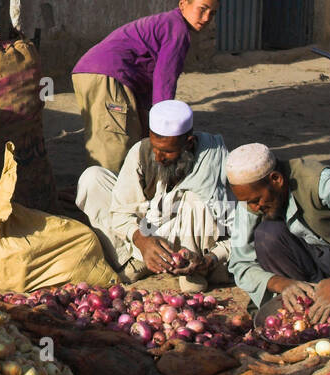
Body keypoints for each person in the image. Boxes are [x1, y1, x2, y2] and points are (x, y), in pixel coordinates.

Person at [76, 99, 231, 286]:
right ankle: (135, 260)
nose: (158, 157)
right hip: (150, 228)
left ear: (188, 144)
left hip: (190, 241)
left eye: (167, 152)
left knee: (195, 198)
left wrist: (211, 259)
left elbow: (240, 229)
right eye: (155, 147)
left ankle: (190, 268)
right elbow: (120, 210)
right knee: (92, 178)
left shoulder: (216, 162)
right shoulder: (142, 152)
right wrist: (141, 240)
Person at [71, 0, 219, 172]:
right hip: (107, 75)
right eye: (202, 9)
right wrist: (164, 125)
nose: (207, 17)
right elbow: (165, 78)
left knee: (120, 136)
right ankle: (107, 198)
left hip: (93, 73)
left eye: (212, 13)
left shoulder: (167, 23)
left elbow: (146, 82)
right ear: (183, 4)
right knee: (114, 145)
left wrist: (147, 121)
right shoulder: (177, 29)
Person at [226, 143, 330, 324]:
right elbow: (240, 263)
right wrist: (282, 284)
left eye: (256, 200)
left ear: (276, 179)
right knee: (268, 235)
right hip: (313, 268)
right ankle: (306, 313)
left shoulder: (319, 183)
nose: (254, 208)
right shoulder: (250, 203)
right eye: (247, 202)